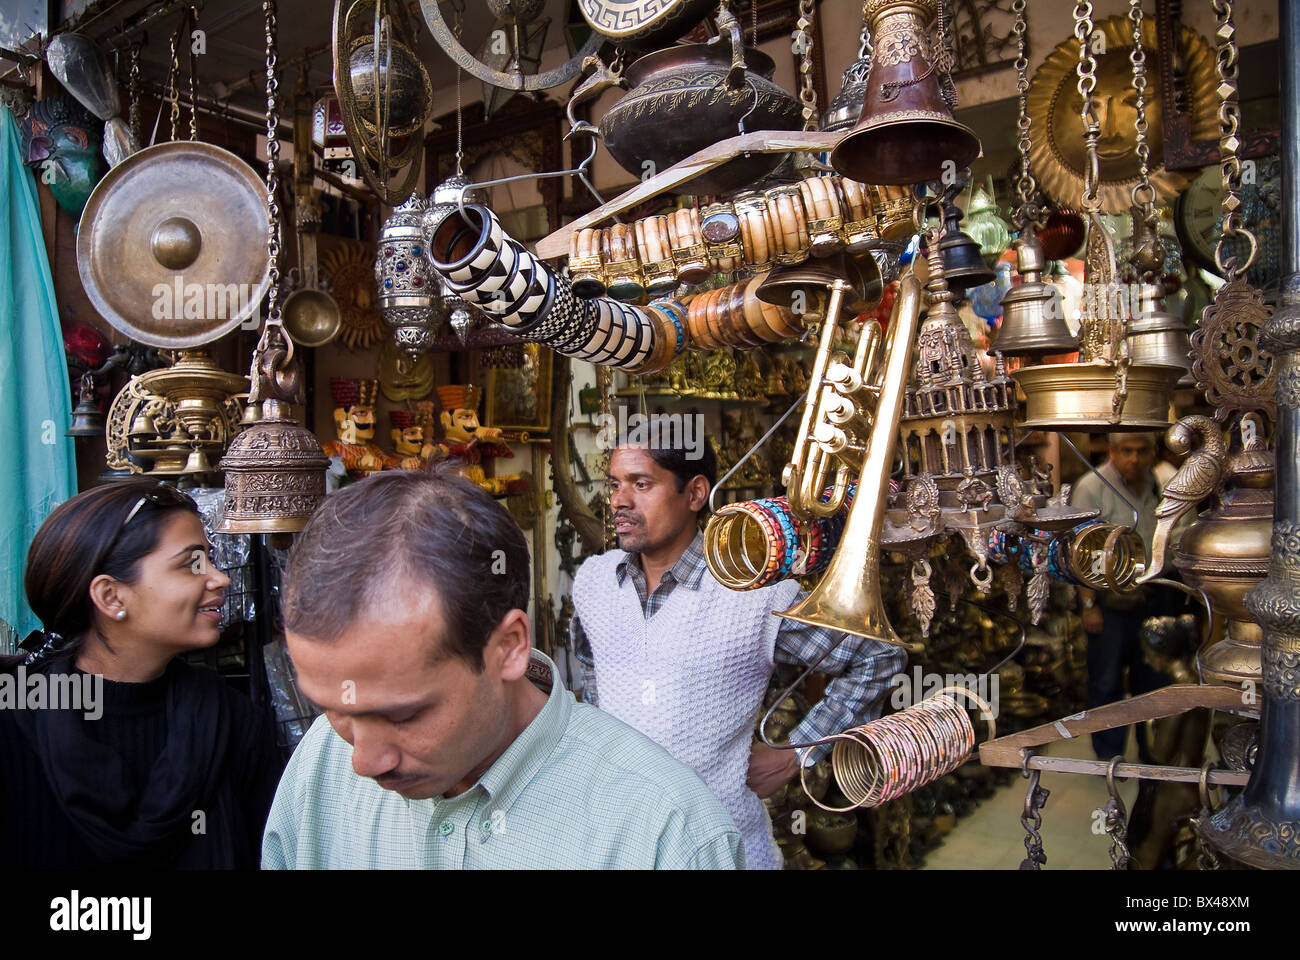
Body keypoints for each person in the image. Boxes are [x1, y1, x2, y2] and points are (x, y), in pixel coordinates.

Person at [263, 469, 742, 869]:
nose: (363, 762)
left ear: (509, 648)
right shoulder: (317, 767)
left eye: (403, 715)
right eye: (332, 708)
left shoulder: (670, 835)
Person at [571, 432, 907, 870]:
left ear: (694, 493)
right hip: (618, 849)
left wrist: (798, 752)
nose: (619, 500)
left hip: (724, 851)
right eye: (614, 484)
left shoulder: (753, 595)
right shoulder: (594, 582)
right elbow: (592, 678)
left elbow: (878, 658)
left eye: (641, 483)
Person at [0, 480, 283, 868]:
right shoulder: (14, 719)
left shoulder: (231, 722)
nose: (220, 578)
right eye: (192, 563)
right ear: (111, 596)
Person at [1069, 432, 1171, 761]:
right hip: (1108, 604)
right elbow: (1079, 553)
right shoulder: (1091, 486)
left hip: (1148, 598)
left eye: (1142, 451)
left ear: (1152, 452)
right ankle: (1109, 754)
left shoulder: (1154, 482)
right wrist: (1088, 605)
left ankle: (1149, 751)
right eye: (1126, 451)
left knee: (1151, 679)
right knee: (1107, 681)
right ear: (1112, 451)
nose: (1134, 459)